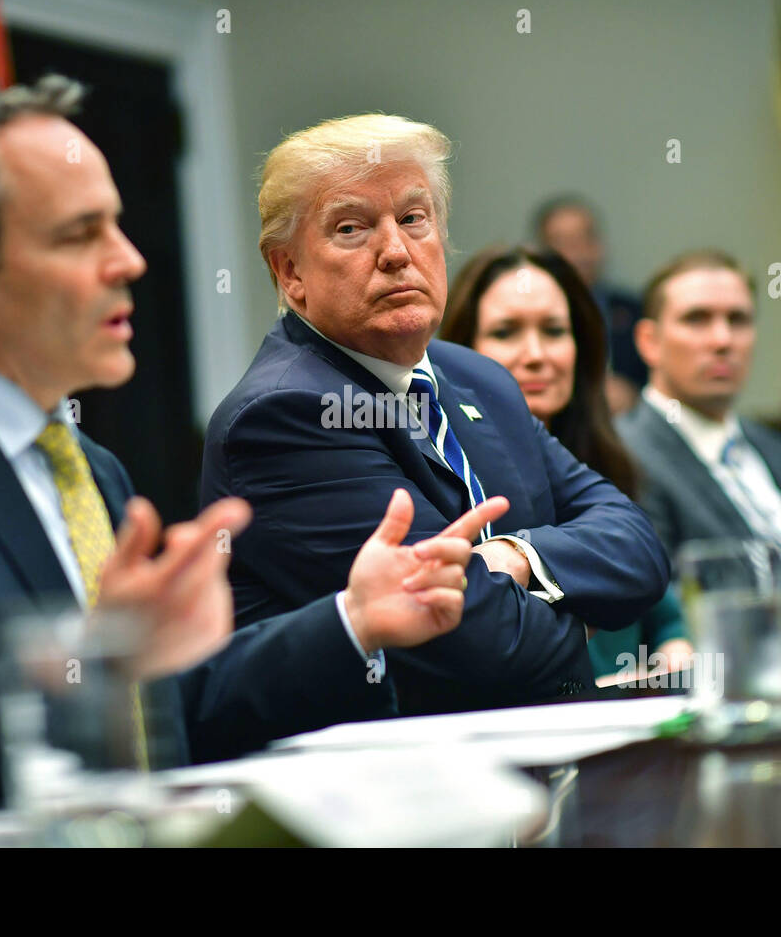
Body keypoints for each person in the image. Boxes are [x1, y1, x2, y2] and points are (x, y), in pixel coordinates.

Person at [0, 78, 508, 834]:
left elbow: (157, 706)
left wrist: (352, 619)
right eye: (80, 234)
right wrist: (85, 660)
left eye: (118, 225)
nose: (130, 260)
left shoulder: (87, 466)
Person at [201, 114, 670, 715]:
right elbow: (483, 647)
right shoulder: (289, 414)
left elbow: (637, 545)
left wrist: (516, 559)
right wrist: (584, 618)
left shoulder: (480, 379)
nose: (396, 251)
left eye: (414, 218)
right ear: (290, 272)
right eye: (351, 228)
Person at [440, 244, 690, 683]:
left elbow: (664, 612)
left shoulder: (604, 461)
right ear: (462, 351)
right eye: (505, 332)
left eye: (554, 330)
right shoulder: (448, 473)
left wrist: (674, 645)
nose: (536, 354)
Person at [616, 249, 781, 639]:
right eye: (697, 319)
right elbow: (682, 615)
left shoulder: (773, 447)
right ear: (649, 341)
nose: (723, 340)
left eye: (738, 320)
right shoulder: (627, 454)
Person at [533, 195, 647, 412]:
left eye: (586, 238)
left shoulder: (634, 310)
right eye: (563, 242)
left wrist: (633, 394)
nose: (578, 252)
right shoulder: (529, 312)